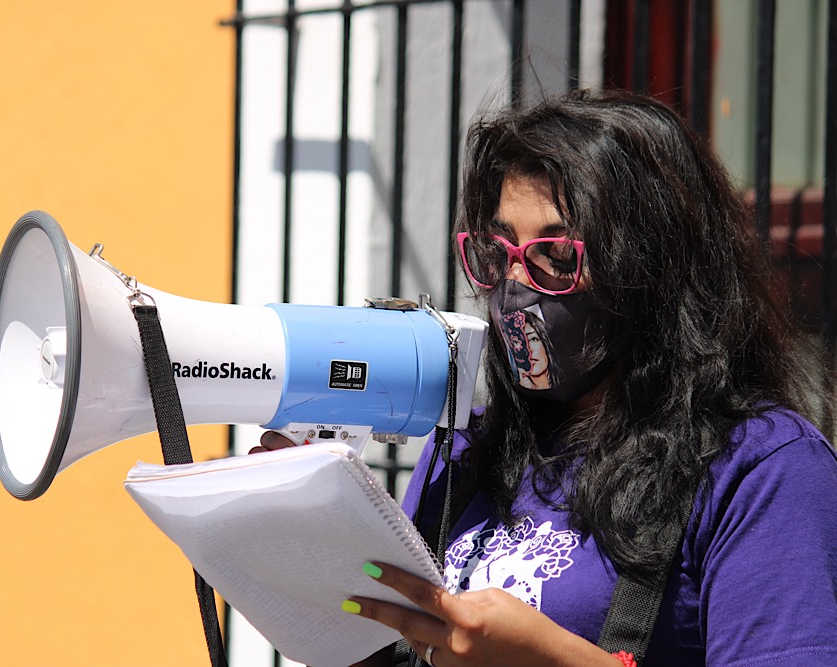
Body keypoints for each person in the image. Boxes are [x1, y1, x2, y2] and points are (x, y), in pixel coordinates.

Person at [255, 90, 837, 666]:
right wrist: (321, 563)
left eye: (556, 257)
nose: (514, 282)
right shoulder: (465, 450)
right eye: (497, 249)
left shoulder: (765, 468)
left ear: (652, 272)